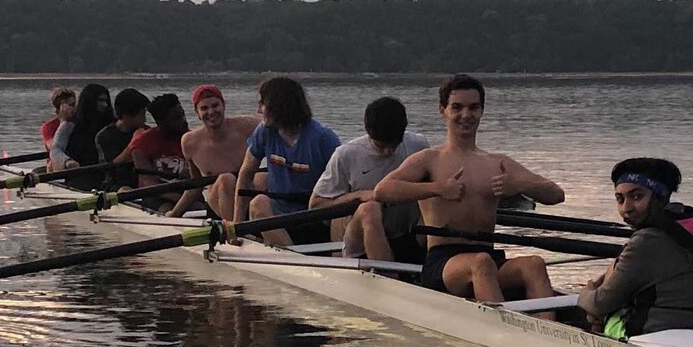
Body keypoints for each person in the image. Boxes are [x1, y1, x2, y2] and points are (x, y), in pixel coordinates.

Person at [374, 74, 566, 311]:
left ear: (482, 111)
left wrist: (520, 186)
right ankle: (505, 334)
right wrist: (438, 188)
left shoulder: (497, 162)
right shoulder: (429, 159)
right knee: (481, 264)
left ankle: (549, 335)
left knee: (534, 264)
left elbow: (556, 194)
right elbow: (382, 191)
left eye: (473, 108)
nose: (466, 115)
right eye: (457, 107)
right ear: (442, 110)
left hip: (488, 254)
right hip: (443, 262)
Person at [578, 157, 693, 339]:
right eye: (620, 199)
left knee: (593, 306)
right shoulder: (688, 227)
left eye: (637, 197)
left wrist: (585, 293)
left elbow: (599, 304)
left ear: (660, 197)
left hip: (654, 336)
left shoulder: (646, 240)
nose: (627, 208)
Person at [310, 95, 433, 264]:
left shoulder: (418, 146)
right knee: (370, 208)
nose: (387, 152)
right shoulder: (346, 154)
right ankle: (389, 278)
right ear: (367, 131)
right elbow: (316, 206)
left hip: (407, 234)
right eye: (380, 146)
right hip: (359, 241)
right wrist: (360, 196)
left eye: (394, 145)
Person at [233, 75, 340, 247]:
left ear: (280, 106)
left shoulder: (323, 139)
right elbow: (245, 175)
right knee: (258, 203)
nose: (259, 111)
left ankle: (300, 257)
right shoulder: (265, 132)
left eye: (262, 104)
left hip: (314, 218)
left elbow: (343, 187)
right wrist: (236, 226)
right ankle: (292, 257)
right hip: (279, 217)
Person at [180, 83, 255, 218]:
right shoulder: (189, 142)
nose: (211, 112)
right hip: (218, 206)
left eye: (215, 106)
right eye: (204, 108)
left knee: (262, 177)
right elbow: (196, 184)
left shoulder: (248, 126)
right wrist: (174, 214)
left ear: (223, 105)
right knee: (226, 179)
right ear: (197, 113)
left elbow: (276, 124)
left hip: (247, 198)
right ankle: (236, 231)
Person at [120, 92, 194, 203]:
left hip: (188, 193)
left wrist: (194, 172)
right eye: (177, 118)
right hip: (155, 196)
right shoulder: (141, 144)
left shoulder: (193, 139)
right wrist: (184, 202)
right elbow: (149, 184)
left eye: (183, 115)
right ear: (161, 123)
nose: (184, 121)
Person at [51, 83, 115, 174]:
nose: (104, 105)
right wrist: (67, 161)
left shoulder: (112, 124)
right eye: (100, 101)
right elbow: (56, 149)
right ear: (89, 101)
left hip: (107, 174)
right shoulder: (70, 124)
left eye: (106, 101)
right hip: (80, 173)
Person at [94, 88, 152, 180]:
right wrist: (135, 142)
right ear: (126, 116)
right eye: (141, 115)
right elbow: (111, 166)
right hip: (117, 182)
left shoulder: (147, 131)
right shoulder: (104, 136)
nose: (144, 119)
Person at [38, 86, 78, 163]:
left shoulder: (79, 122)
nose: (73, 109)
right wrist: (63, 122)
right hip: (57, 164)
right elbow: (53, 148)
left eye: (74, 104)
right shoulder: (48, 126)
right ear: (59, 108)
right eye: (69, 106)